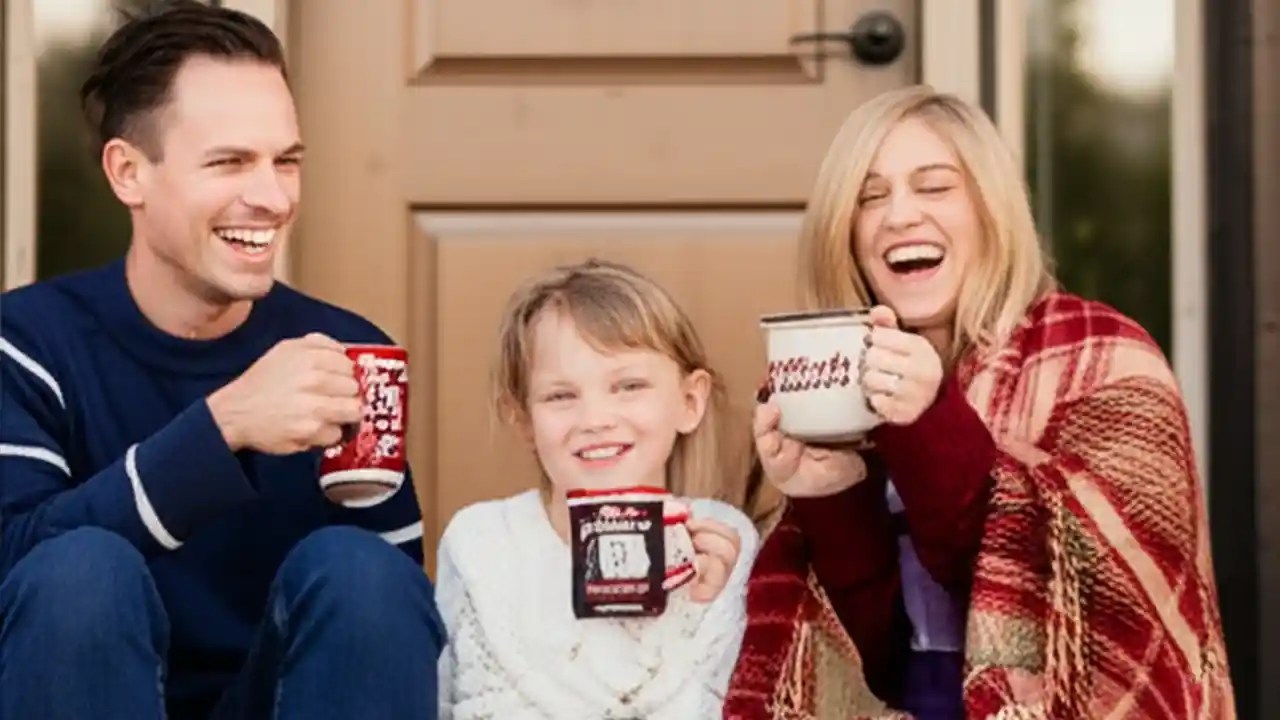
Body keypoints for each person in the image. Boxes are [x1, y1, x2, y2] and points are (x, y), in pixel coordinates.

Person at [724, 85, 1235, 719]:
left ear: (990, 209)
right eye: (869, 197)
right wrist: (832, 497)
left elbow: (1092, 611)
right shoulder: (840, 378)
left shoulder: (1107, 359)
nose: (899, 215)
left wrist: (929, 421)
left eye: (934, 187)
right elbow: (873, 662)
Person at [0, 3, 443, 718]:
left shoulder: (344, 354)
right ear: (128, 173)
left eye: (286, 162)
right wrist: (223, 427)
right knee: (80, 571)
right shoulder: (24, 344)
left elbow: (385, 622)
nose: (271, 197)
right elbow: (14, 570)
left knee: (365, 573)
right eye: (230, 162)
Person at [435, 259, 756, 719]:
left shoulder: (725, 541)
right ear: (523, 418)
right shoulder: (482, 545)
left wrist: (696, 605)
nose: (596, 420)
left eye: (628, 386)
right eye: (560, 396)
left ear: (690, 401)